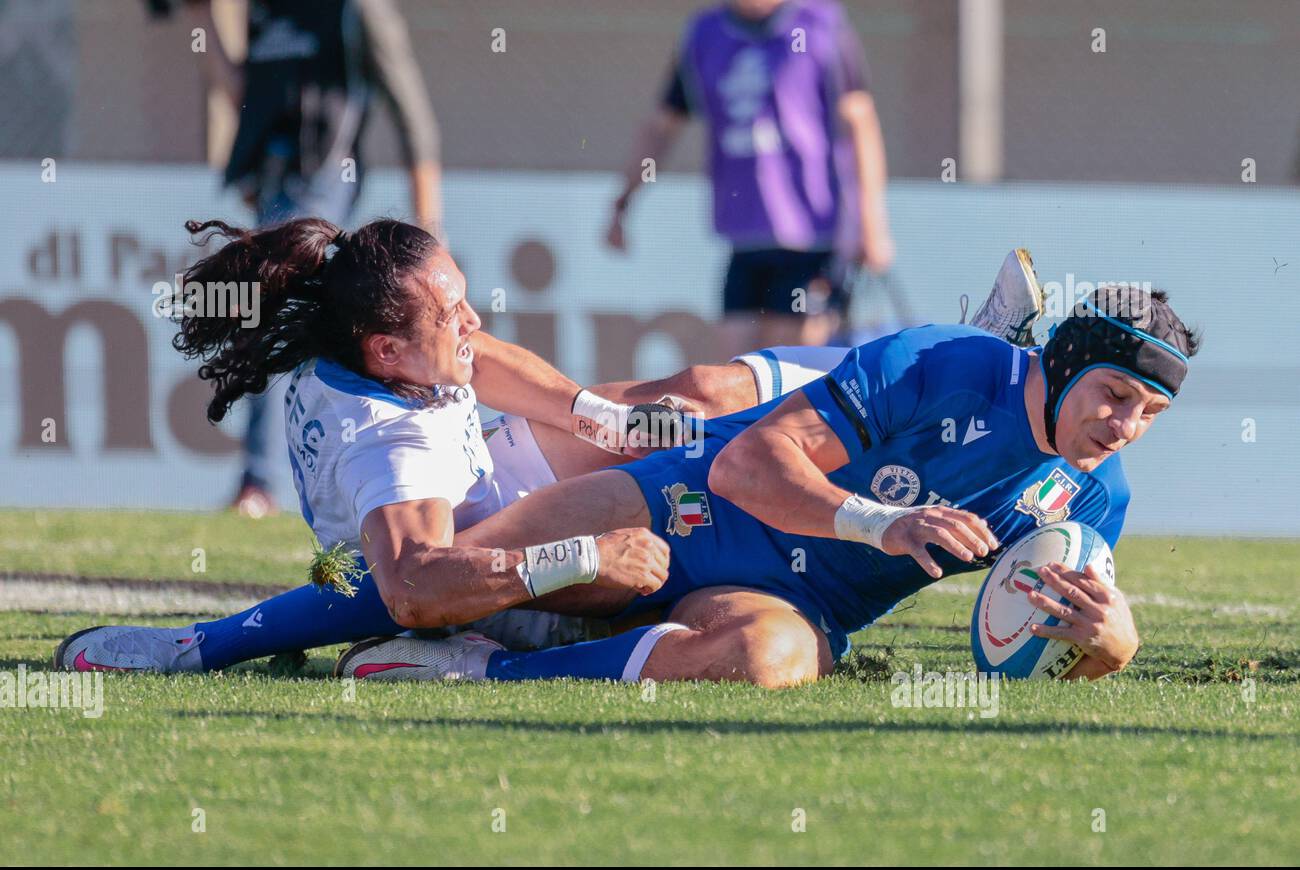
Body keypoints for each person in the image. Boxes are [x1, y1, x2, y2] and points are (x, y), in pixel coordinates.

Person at [54, 218, 1036, 675]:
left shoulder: (397, 342)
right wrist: (582, 557)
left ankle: (965, 351)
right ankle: (450, 661)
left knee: (690, 396)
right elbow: (409, 587)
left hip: (488, 487)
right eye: (448, 312)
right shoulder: (384, 444)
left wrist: (600, 415)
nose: (470, 318)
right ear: (390, 350)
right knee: (715, 474)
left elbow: (484, 358)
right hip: (497, 565)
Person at [332, 283, 1197, 686]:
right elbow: (745, 464)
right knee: (437, 575)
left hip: (792, 599)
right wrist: (880, 522)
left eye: (1150, 413)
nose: (1125, 427)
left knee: (769, 661)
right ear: (1061, 363)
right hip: (689, 503)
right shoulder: (943, 363)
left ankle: (480, 671)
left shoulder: (1093, 501)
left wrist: (1113, 645)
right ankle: (206, 642)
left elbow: (1037, 650)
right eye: (1117, 396)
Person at [189, 0, 443, 516]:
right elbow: (243, 93)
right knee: (280, 325)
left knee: (265, 319)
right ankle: (270, 482)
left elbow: (413, 118)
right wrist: (200, 18)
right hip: (271, 182)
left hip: (323, 179)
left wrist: (431, 237)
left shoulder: (357, 10)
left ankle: (259, 482)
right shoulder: (266, 10)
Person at [606, 0, 894, 354]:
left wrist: (872, 225)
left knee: (792, 376)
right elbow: (663, 126)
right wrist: (624, 202)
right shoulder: (705, 33)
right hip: (744, 240)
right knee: (737, 372)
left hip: (813, 240)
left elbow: (859, 118)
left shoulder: (819, 23)